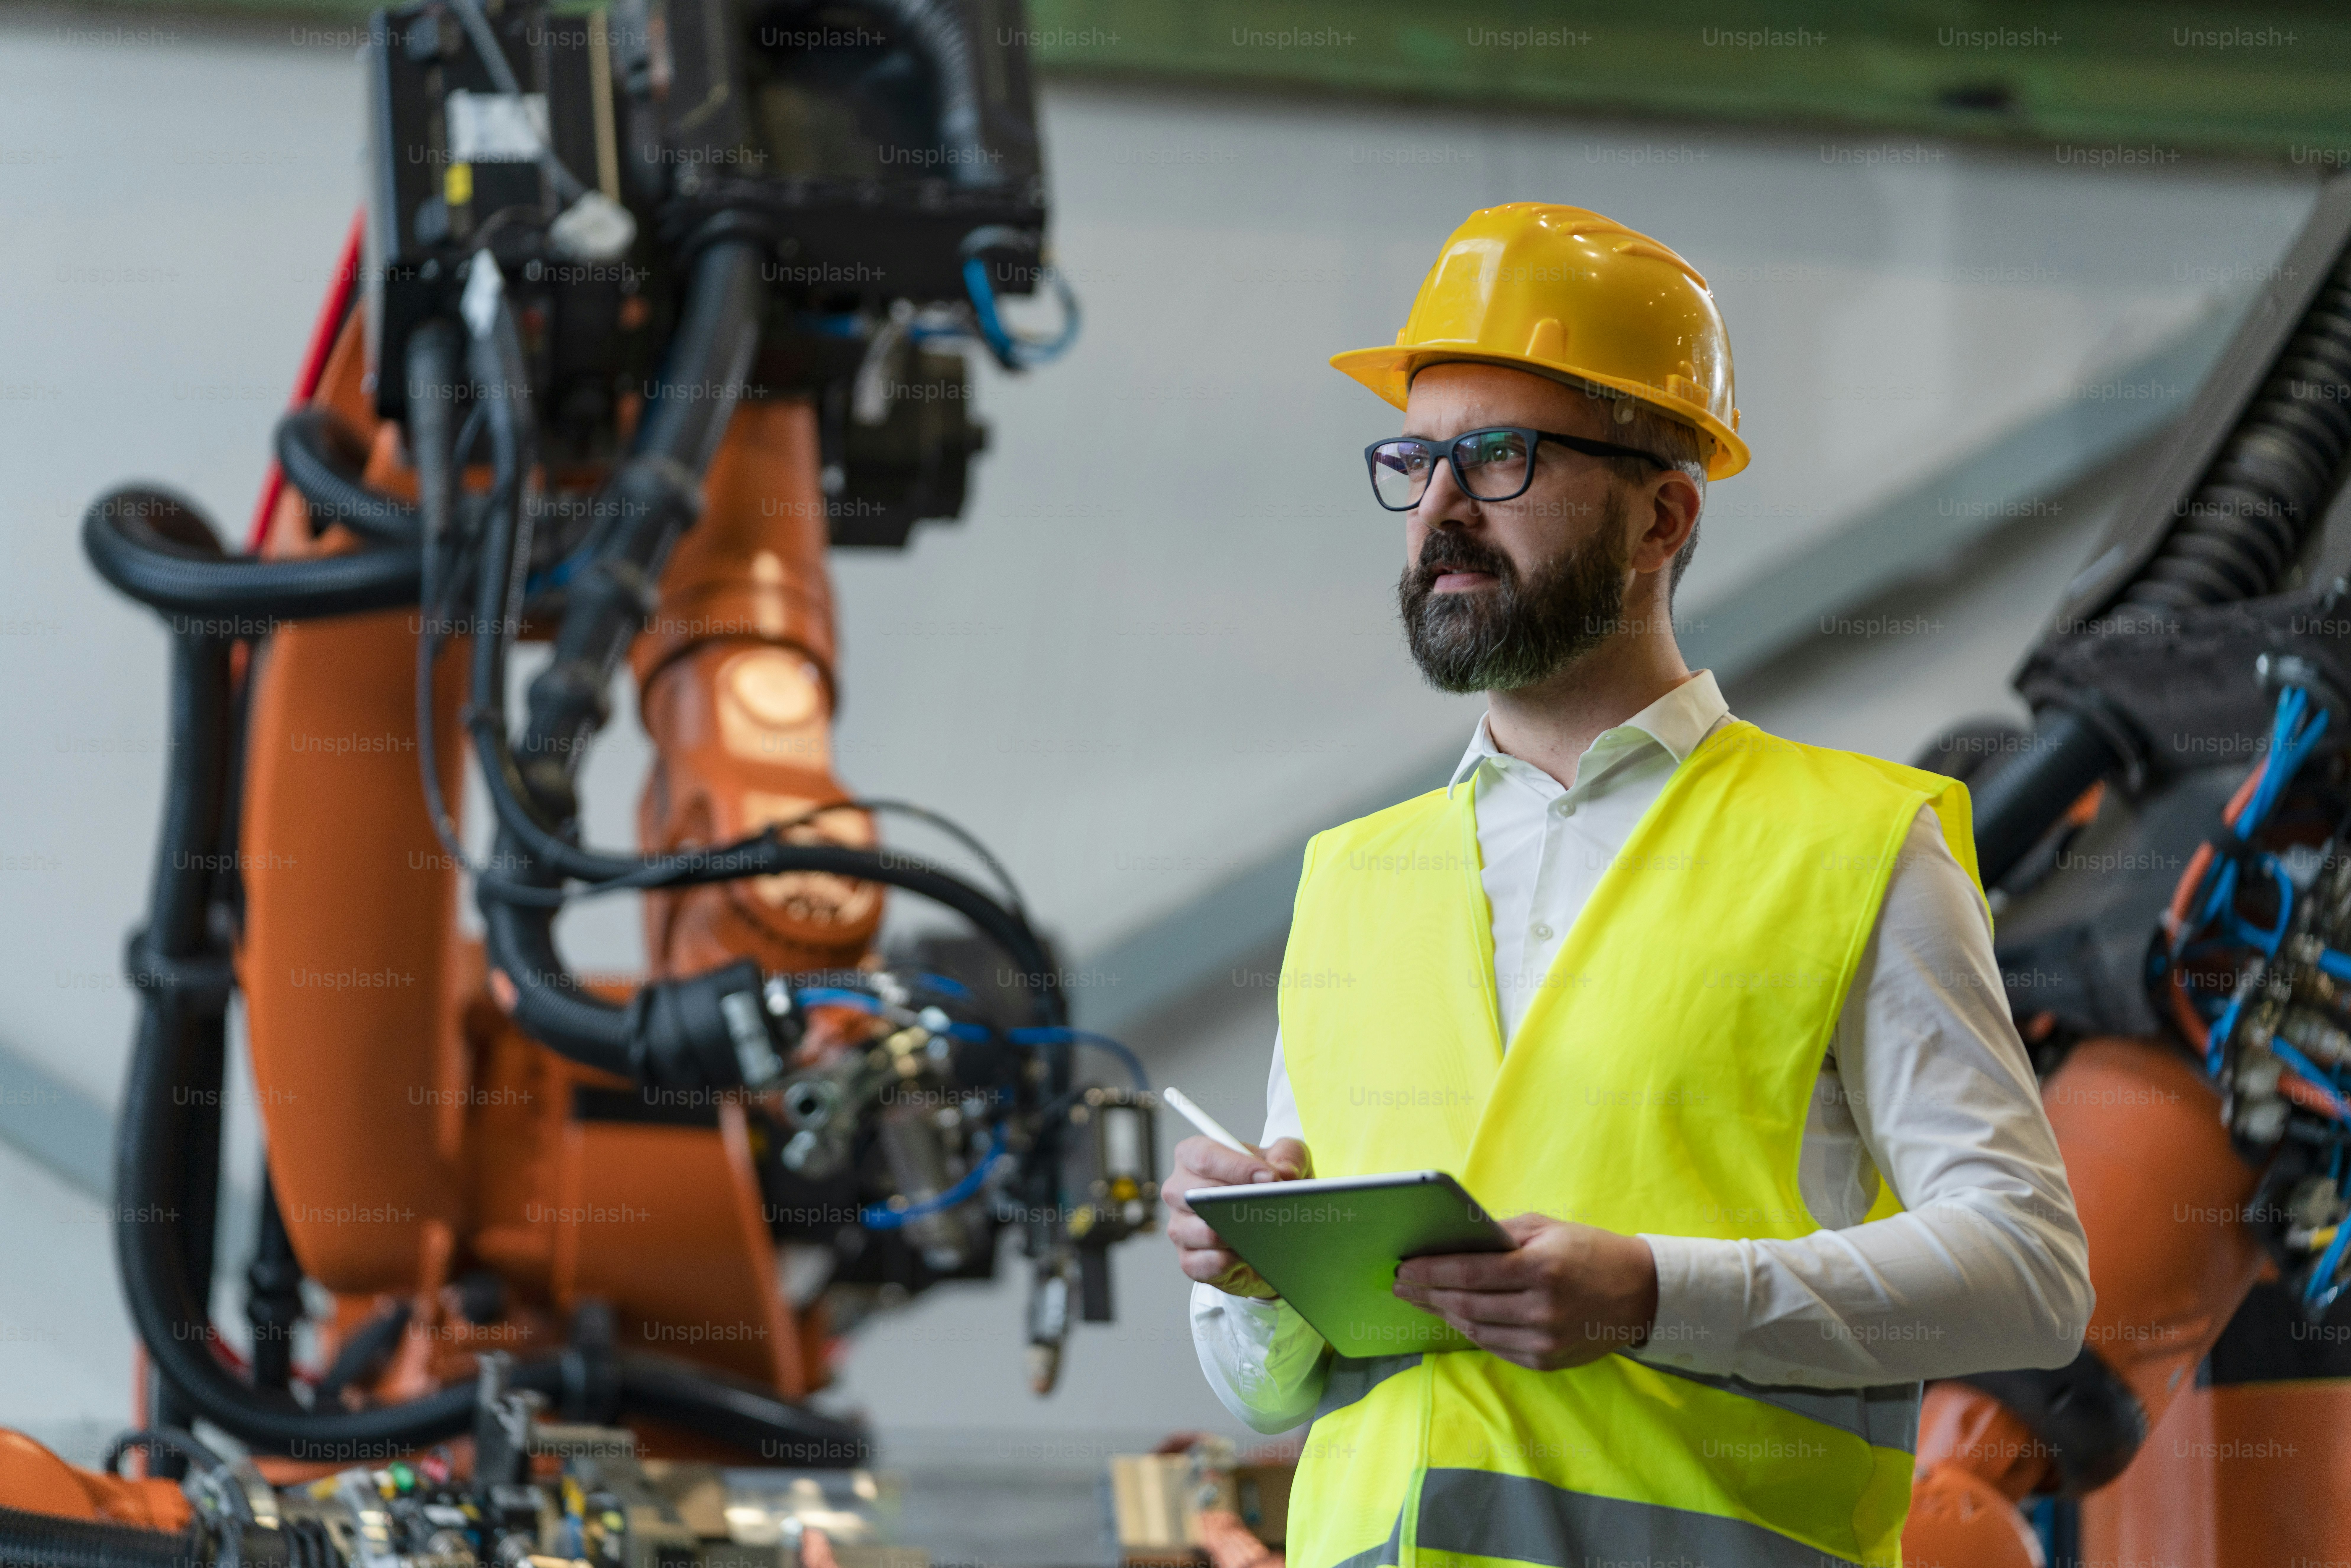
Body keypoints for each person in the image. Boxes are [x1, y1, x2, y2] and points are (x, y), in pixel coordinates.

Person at [1165, 203, 2093, 1568]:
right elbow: (1265, 1389)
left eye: (1496, 460)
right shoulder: (1352, 881)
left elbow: (2030, 1278)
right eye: (1414, 461)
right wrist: (1250, 1281)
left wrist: (1654, 1295)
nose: (1437, 512)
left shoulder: (1852, 844)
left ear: (1662, 515)